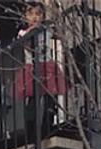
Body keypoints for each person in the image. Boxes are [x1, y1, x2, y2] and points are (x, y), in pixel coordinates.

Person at [13, 1, 67, 141]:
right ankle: (31, 129)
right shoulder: (23, 33)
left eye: (38, 14)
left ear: (43, 16)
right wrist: (33, 30)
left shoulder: (46, 30)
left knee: (50, 96)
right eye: (30, 14)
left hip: (47, 66)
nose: (34, 17)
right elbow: (26, 44)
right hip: (32, 68)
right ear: (25, 16)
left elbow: (58, 32)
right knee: (32, 99)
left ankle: (48, 124)